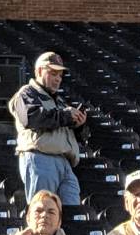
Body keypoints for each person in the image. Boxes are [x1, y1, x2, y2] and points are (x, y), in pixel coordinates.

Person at [7, 50, 87, 205]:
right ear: (38, 71)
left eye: (60, 75)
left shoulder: (60, 102)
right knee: (43, 212)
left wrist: (79, 125)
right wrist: (65, 116)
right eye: (53, 73)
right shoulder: (26, 93)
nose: (57, 79)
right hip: (41, 158)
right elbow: (32, 118)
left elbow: (73, 135)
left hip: (65, 162)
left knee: (72, 217)